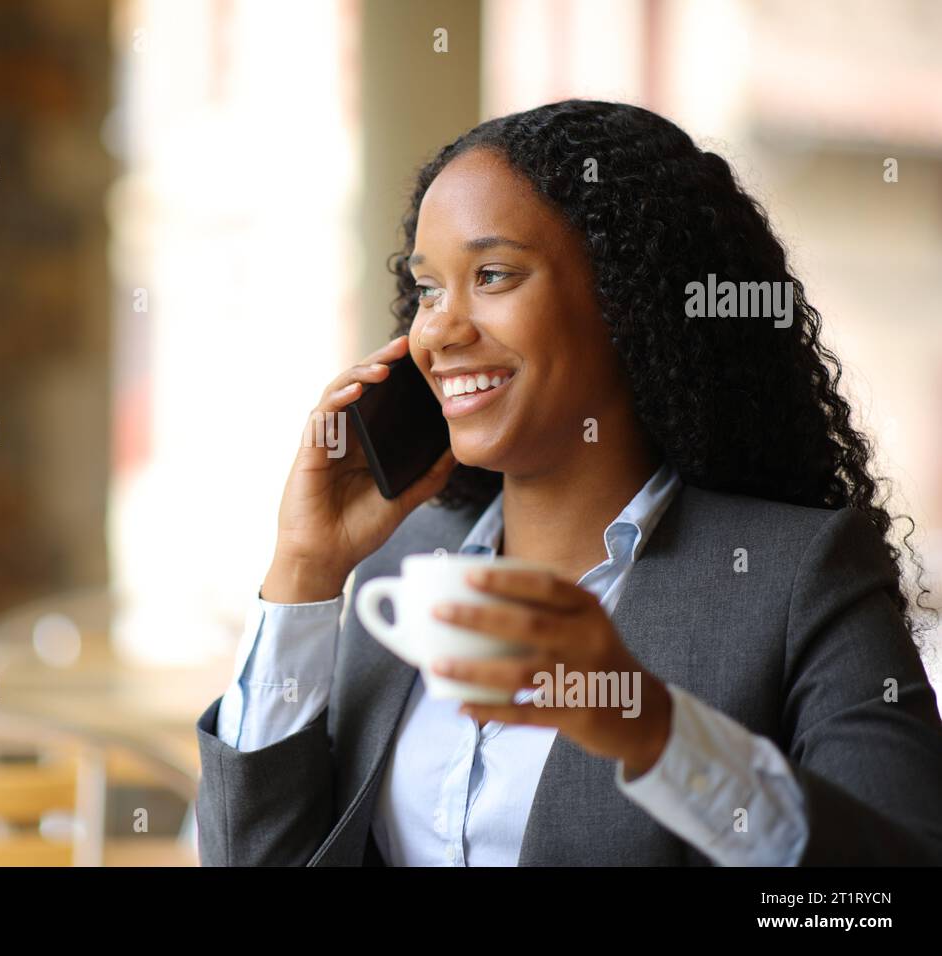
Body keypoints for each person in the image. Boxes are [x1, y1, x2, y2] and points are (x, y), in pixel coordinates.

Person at [193, 99, 942, 866]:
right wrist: (304, 573)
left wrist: (651, 730)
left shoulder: (796, 578)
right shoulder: (404, 566)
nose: (440, 332)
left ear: (627, 298)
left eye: (492, 275)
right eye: (427, 289)